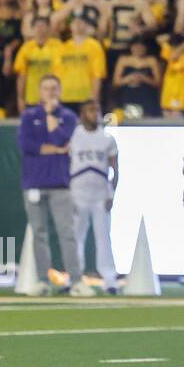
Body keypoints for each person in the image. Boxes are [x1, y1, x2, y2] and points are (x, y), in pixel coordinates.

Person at [16, 75, 81, 296]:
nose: (50, 92)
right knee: (39, 233)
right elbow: (26, 144)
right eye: (46, 88)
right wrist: (53, 147)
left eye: (54, 88)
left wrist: (52, 123)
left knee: (66, 232)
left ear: (60, 91)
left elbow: (61, 140)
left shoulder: (68, 116)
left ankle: (76, 279)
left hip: (60, 183)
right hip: (34, 182)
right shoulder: (29, 115)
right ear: (40, 91)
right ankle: (43, 280)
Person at [68, 99, 118, 295]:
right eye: (90, 110)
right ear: (82, 114)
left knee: (104, 236)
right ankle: (75, 277)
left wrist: (111, 193)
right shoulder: (74, 136)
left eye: (97, 110)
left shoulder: (107, 138)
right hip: (77, 193)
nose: (94, 114)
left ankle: (110, 278)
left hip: (100, 194)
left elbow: (115, 168)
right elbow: (66, 163)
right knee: (76, 237)